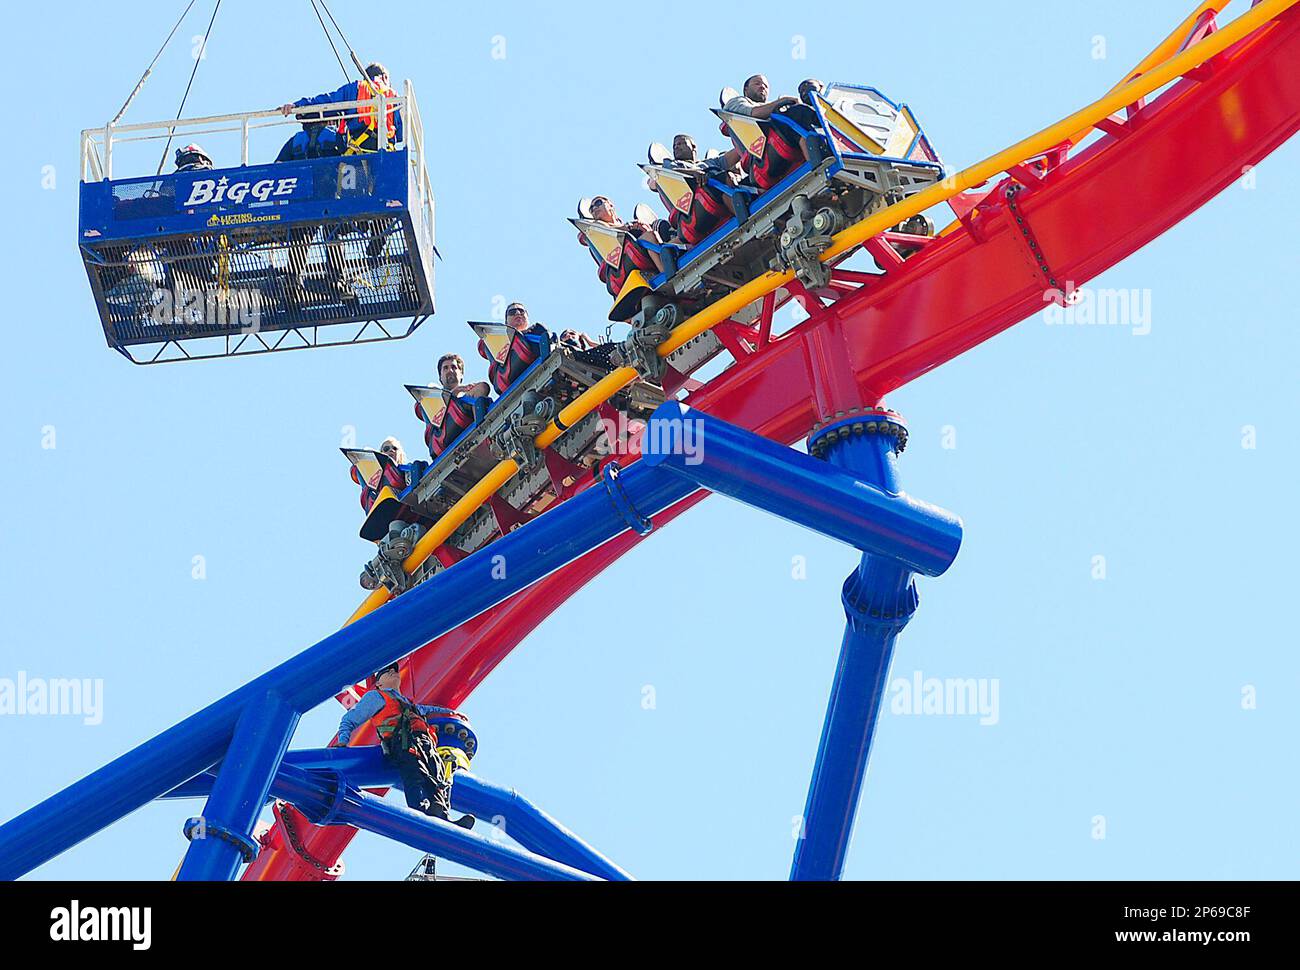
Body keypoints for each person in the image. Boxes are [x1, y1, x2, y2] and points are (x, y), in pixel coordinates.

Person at [336, 662, 475, 829]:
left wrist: (450, 713)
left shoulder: (407, 703)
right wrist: (343, 741)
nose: (393, 673)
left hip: (424, 744)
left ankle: (443, 815)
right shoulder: (376, 697)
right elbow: (350, 719)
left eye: (394, 671)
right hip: (402, 743)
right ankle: (419, 809)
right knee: (414, 772)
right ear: (379, 683)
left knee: (438, 776)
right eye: (387, 672)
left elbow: (424, 709)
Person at [278, 62, 403, 154]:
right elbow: (400, 135)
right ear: (385, 77)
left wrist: (298, 105)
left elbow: (327, 101)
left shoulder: (355, 88)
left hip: (358, 155)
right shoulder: (395, 97)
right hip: (386, 154)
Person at [425, 354, 491, 457]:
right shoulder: (433, 392)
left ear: (461, 375)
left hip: (464, 420)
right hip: (443, 432)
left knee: (482, 387)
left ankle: (481, 429)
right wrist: (454, 393)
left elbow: (481, 389)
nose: (450, 370)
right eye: (445, 368)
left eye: (454, 367)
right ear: (440, 377)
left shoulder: (468, 395)